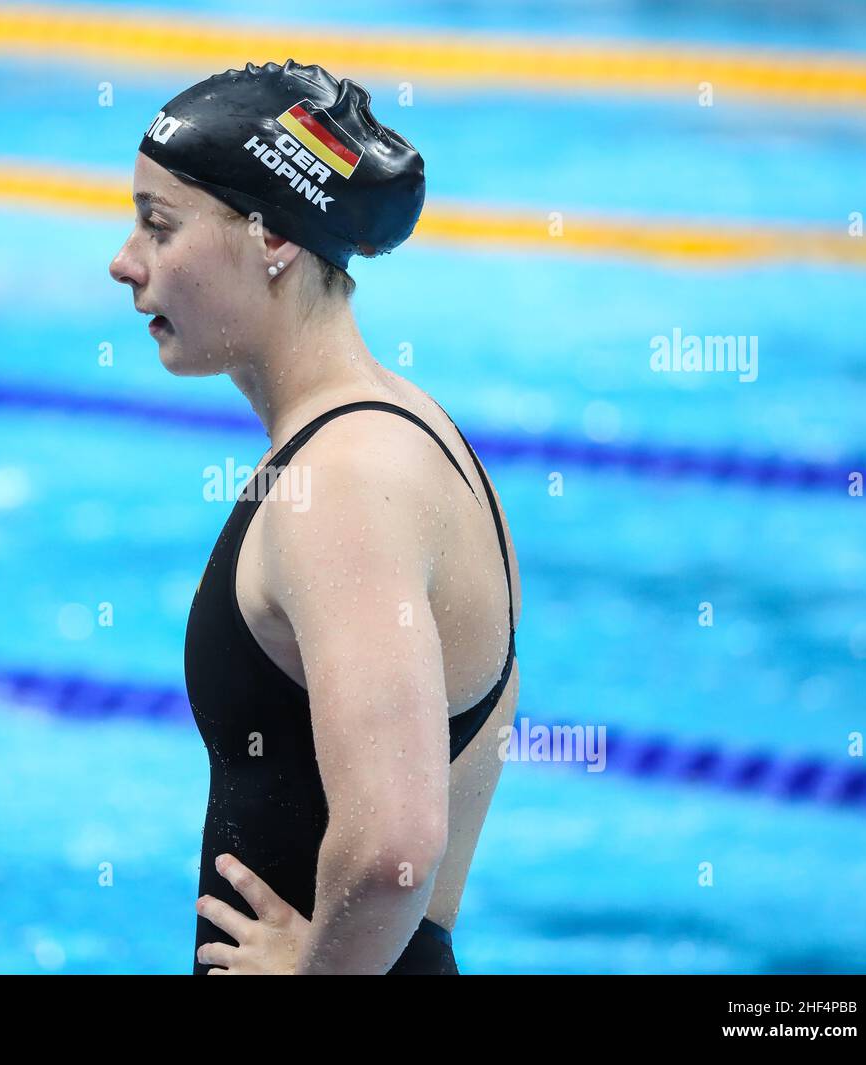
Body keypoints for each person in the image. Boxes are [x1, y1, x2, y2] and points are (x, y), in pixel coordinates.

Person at [108, 59, 521, 975]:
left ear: (272, 239)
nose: (125, 260)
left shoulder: (341, 480)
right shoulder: (409, 430)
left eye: (159, 225)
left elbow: (393, 852)